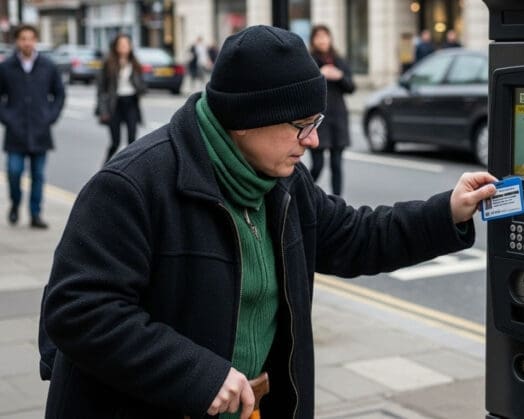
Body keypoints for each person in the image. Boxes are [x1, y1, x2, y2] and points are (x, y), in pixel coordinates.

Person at [40, 25, 497, 419]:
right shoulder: (134, 184)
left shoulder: (284, 184)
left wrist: (447, 211)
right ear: (244, 120)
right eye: (301, 124)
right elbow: (78, 310)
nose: (313, 140)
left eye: (315, 122)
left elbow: (357, 235)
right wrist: (198, 374)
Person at [0, 24, 65, 229]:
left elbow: (59, 93)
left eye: (30, 38)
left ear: (35, 40)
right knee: (13, 172)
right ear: (17, 41)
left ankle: (36, 214)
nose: (27, 42)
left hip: (40, 129)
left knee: (38, 175)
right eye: (23, 38)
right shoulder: (6, 67)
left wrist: (50, 116)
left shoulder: (47, 65)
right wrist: (7, 117)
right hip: (15, 131)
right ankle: (15, 203)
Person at [308, 24, 355, 196]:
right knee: (318, 165)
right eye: (318, 36)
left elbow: (351, 87)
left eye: (325, 36)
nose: (322, 40)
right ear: (313, 40)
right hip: (318, 119)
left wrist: (340, 76)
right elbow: (305, 87)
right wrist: (320, 74)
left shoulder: (339, 60)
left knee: (336, 164)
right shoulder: (309, 60)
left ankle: (337, 201)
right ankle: (302, 193)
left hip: (338, 117)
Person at [96, 34, 147, 164]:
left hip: (131, 103)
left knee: (132, 140)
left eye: (127, 44)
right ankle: (105, 167)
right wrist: (103, 110)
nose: (124, 47)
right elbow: (101, 89)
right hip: (114, 104)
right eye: (121, 44)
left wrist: (136, 83)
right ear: (116, 47)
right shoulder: (108, 63)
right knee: (115, 142)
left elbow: (143, 87)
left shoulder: (135, 63)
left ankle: (131, 169)